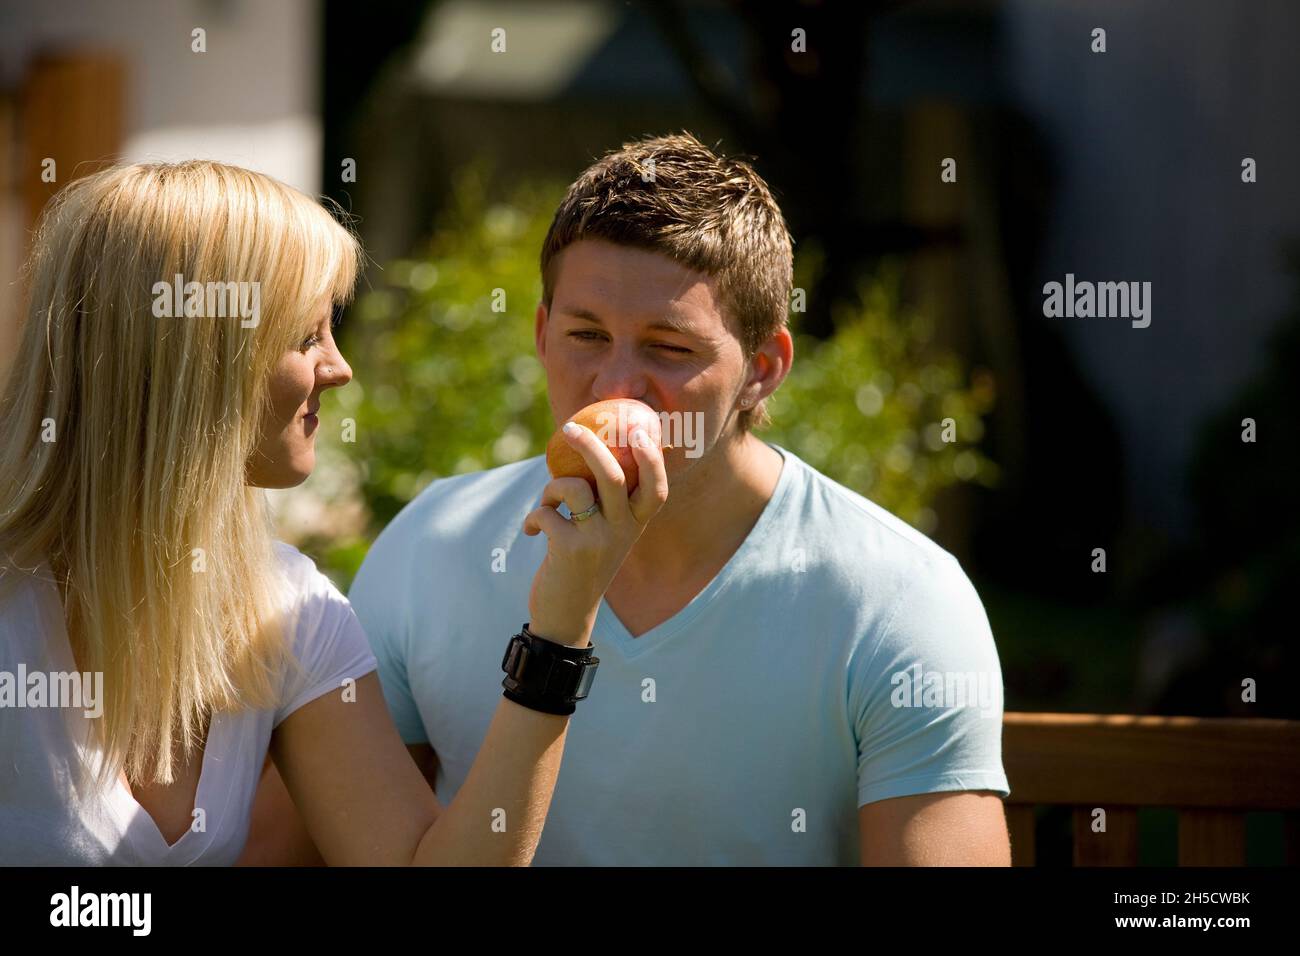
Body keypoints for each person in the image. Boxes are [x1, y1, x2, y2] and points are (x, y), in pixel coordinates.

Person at [254, 131, 1013, 866]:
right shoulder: (434, 545)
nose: (617, 386)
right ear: (543, 335)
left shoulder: (897, 596)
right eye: (587, 335)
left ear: (763, 368)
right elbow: (301, 850)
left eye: (670, 348)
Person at [0, 160, 667, 865]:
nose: (340, 367)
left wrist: (559, 632)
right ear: (197, 358)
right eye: (305, 336)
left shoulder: (289, 611)